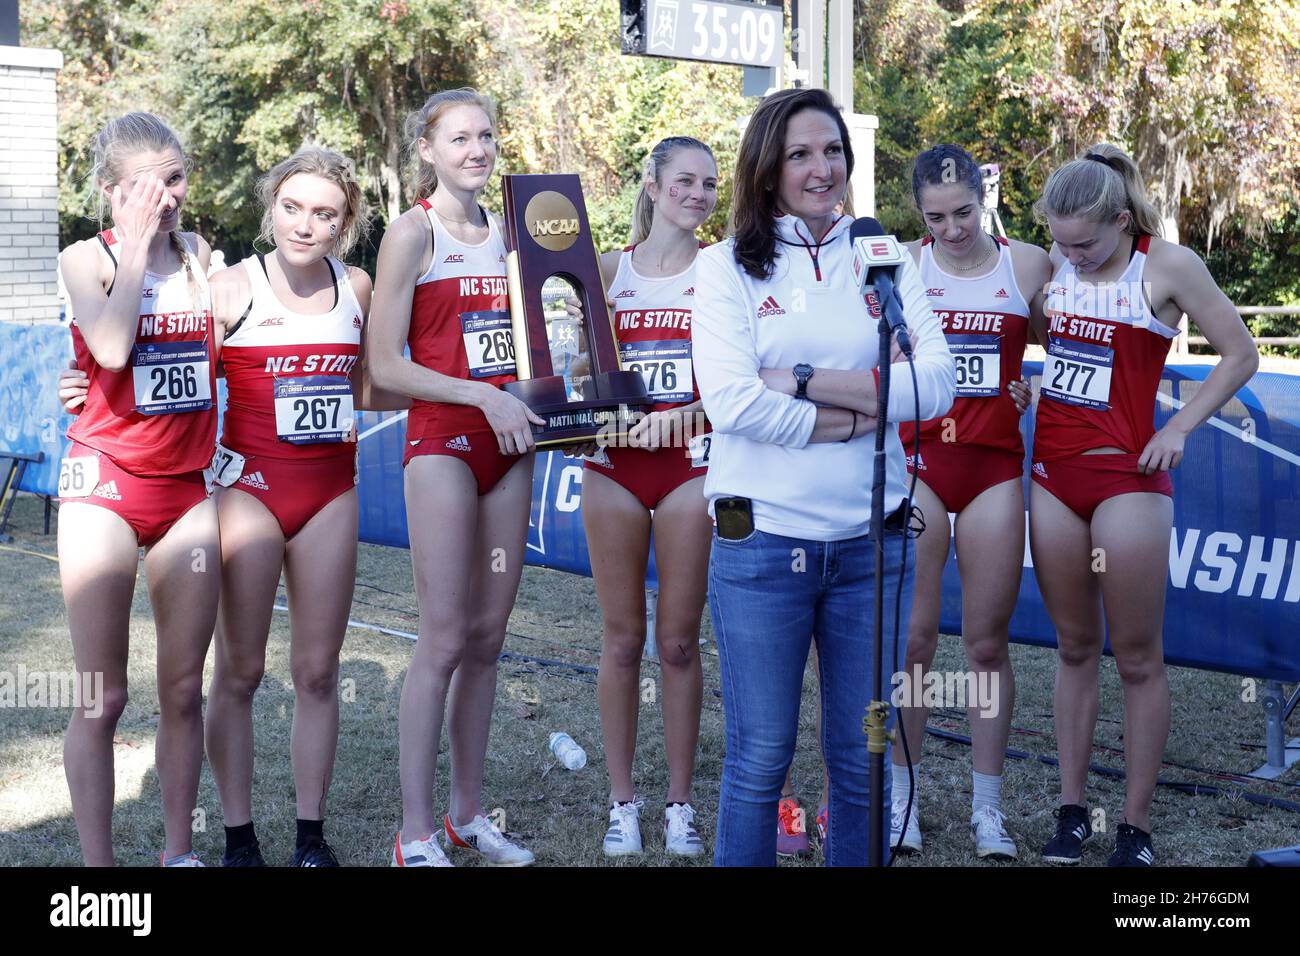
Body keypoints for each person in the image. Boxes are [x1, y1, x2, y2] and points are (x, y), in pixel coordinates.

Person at [692, 87, 956, 866]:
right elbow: (734, 401)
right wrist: (865, 407)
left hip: (872, 547)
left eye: (832, 151)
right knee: (759, 759)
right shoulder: (724, 267)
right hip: (763, 545)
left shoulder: (884, 255)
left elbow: (936, 386)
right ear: (768, 167)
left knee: (862, 757)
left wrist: (802, 378)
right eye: (801, 153)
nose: (821, 168)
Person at [1029, 144, 1257, 866]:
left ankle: (1134, 826)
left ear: (1123, 221)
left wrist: (1180, 426)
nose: (1072, 256)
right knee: (1072, 648)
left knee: (1134, 655)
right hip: (1052, 477)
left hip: (1128, 479)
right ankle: (1072, 814)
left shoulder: (1168, 265)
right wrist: (1032, 388)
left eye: (1086, 243)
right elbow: (1048, 343)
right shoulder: (1055, 262)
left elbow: (1241, 353)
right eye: (1061, 244)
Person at [366, 88, 545, 867]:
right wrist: (478, 392)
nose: (477, 149)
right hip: (444, 444)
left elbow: (541, 342)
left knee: (487, 638)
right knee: (441, 638)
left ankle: (469, 815)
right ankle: (412, 833)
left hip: (511, 448)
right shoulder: (414, 231)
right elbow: (383, 363)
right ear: (429, 151)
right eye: (460, 138)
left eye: (487, 136)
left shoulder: (515, 232)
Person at [201, 147, 380, 868]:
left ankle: (311, 834)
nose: (307, 225)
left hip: (330, 489)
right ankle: (238, 836)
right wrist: (84, 382)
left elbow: (375, 385)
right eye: (294, 208)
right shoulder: (230, 287)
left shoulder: (359, 287)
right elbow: (175, 381)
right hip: (249, 490)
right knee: (240, 672)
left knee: (316, 671)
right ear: (271, 206)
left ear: (345, 224)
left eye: (326, 213)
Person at [56, 112, 220, 866]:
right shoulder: (83, 259)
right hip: (105, 486)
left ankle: (179, 853)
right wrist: (131, 246)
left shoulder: (200, 255)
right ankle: (100, 873)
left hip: (186, 490)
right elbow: (114, 347)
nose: (169, 197)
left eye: (177, 177)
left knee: (184, 690)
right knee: (104, 698)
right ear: (113, 189)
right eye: (151, 183)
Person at [890, 144, 1049, 859]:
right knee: (914, 641)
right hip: (920, 461)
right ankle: (903, 800)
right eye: (935, 216)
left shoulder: (1028, 265)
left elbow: (1074, 346)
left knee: (986, 644)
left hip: (991, 467)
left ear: (983, 200)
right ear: (918, 213)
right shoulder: (900, 265)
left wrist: (1038, 387)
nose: (951, 228)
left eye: (962, 213)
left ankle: (989, 810)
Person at [584, 136, 715, 858]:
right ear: (654, 184)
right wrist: (582, 407)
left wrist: (681, 418)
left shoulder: (722, 271)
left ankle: (679, 805)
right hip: (614, 469)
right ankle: (622, 803)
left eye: (709, 185)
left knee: (678, 642)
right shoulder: (606, 270)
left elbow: (735, 388)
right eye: (686, 181)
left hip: (689, 467)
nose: (698, 194)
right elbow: (576, 367)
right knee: (623, 638)